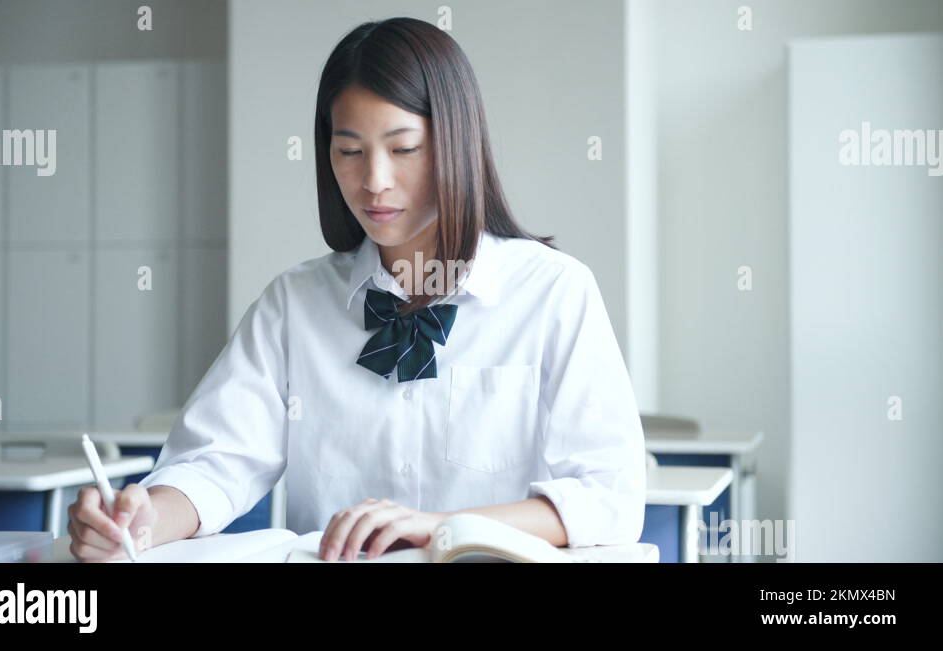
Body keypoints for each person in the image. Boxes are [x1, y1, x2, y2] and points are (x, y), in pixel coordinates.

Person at [67, 16, 646, 563]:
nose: (374, 180)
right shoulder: (294, 303)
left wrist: (445, 524)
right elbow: (216, 464)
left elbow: (609, 495)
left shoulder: (552, 292)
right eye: (349, 151)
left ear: (457, 144)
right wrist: (139, 522)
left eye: (404, 149)